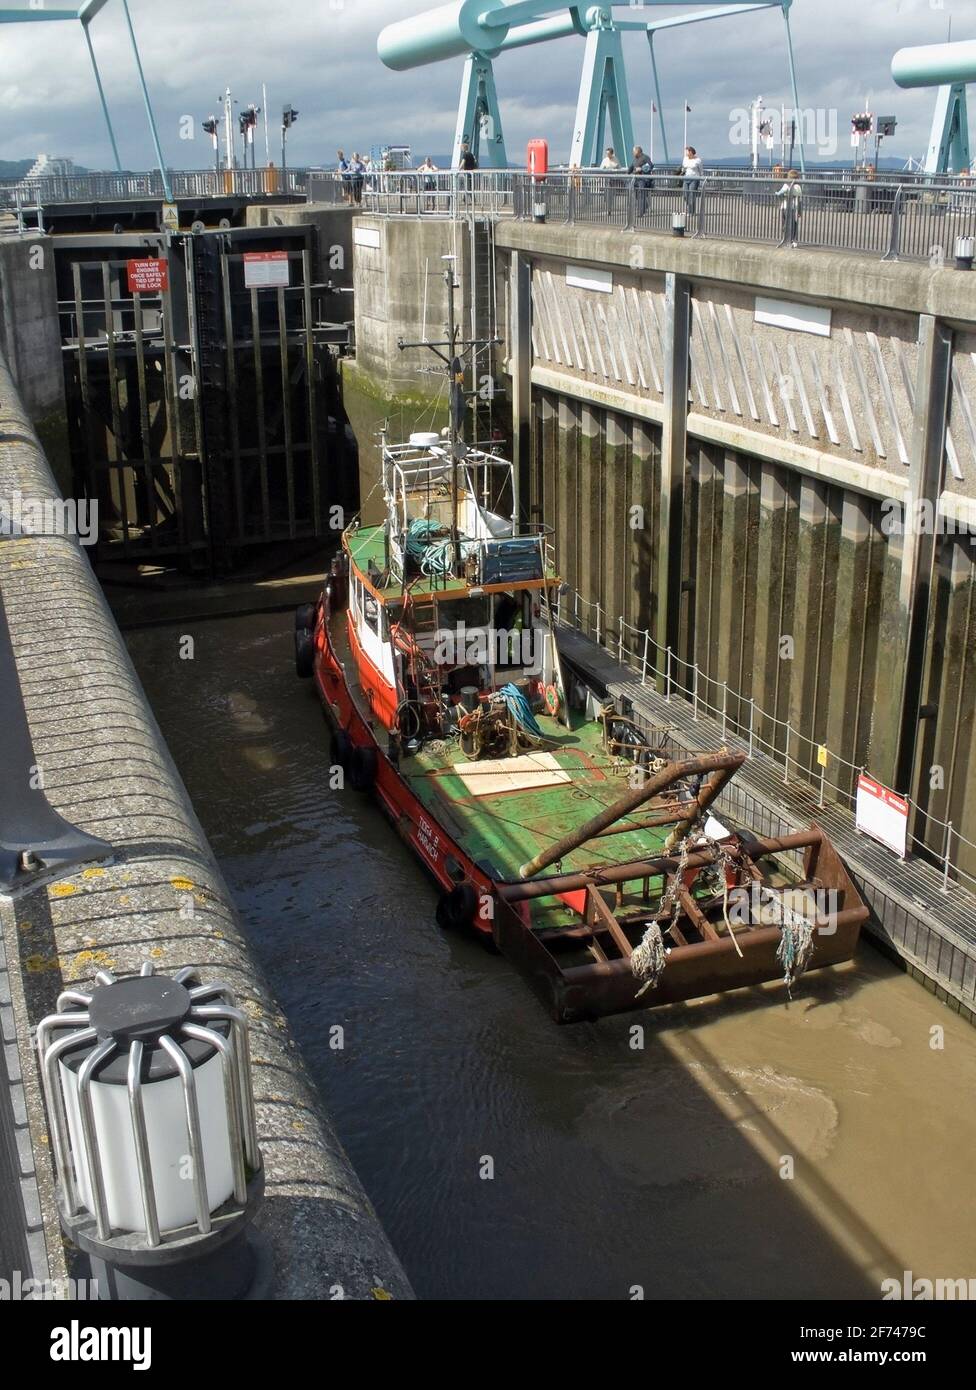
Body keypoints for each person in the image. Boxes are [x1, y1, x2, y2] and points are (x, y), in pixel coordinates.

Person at [776, 168, 802, 246]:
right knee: (793, 224)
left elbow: (780, 193)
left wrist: (778, 194)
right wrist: (800, 211)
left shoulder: (785, 185)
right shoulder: (797, 187)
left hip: (783, 207)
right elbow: (800, 200)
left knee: (785, 223)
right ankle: (792, 240)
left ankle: (785, 238)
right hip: (792, 208)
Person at [628, 145, 654, 216]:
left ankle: (641, 212)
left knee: (641, 194)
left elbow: (651, 165)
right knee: (634, 193)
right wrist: (627, 173)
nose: (633, 153)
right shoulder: (635, 159)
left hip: (643, 179)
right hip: (636, 179)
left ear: (637, 151)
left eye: (634, 151)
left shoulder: (645, 157)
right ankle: (645, 206)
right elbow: (631, 167)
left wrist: (641, 169)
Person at [682, 145, 704, 217]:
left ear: (691, 152)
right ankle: (689, 208)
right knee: (685, 195)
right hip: (686, 177)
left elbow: (701, 170)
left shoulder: (698, 160)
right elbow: (684, 166)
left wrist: (702, 178)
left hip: (694, 178)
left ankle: (691, 212)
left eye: (687, 152)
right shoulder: (685, 158)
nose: (686, 153)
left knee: (691, 194)